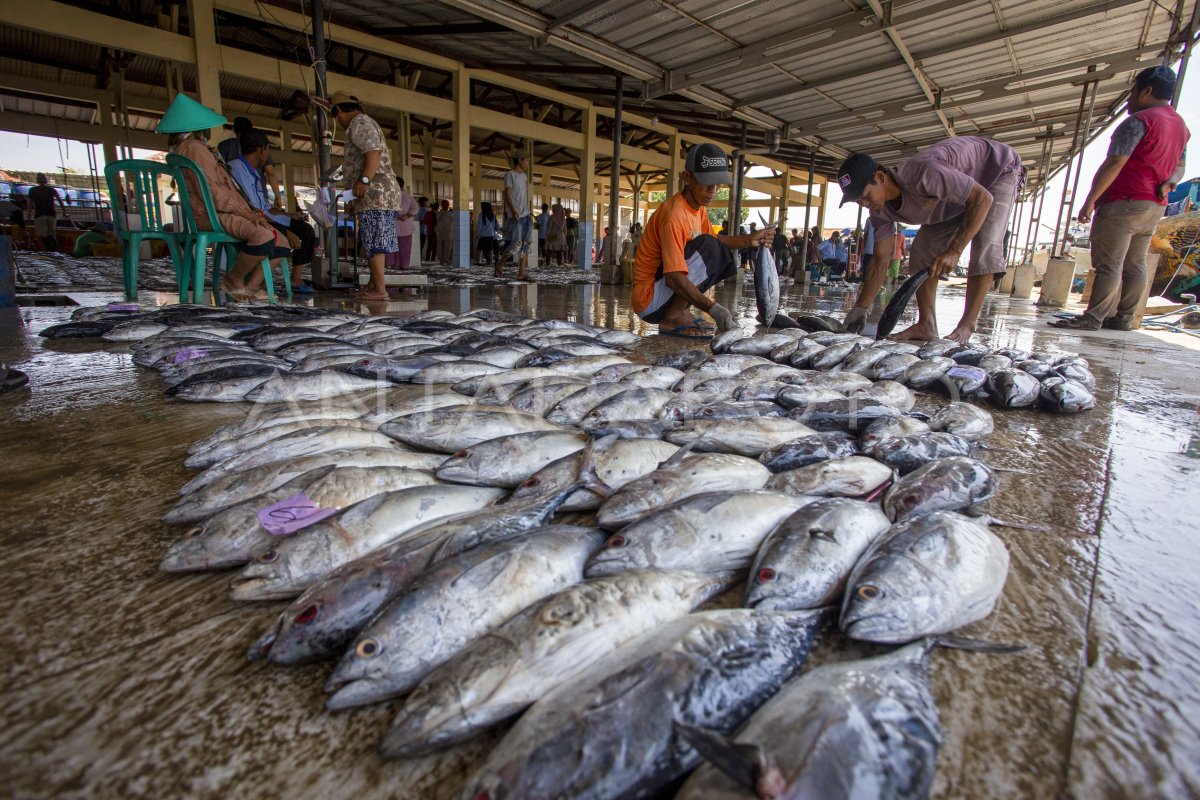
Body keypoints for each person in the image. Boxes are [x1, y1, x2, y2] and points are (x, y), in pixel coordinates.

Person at [838, 135, 1022, 343]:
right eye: (856, 200)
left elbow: (982, 199)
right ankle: (927, 324)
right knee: (922, 251)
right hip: (954, 196)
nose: (863, 203)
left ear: (879, 177)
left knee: (984, 247)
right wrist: (861, 308)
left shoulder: (923, 173)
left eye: (864, 194)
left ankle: (966, 327)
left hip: (996, 174)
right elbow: (881, 259)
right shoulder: (879, 213)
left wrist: (954, 251)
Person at [1050, 66, 1189, 331]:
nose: (1129, 99)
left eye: (1132, 91)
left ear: (1146, 90)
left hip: (1124, 200)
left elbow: (1115, 163)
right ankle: (1124, 319)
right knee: (1135, 264)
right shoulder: (1181, 126)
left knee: (1109, 264)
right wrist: (1170, 183)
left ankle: (1093, 318)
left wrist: (1091, 199)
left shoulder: (1139, 121)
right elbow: (1180, 166)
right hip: (1154, 205)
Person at [632, 143, 775, 338]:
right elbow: (674, 277)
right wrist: (713, 309)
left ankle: (680, 311)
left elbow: (716, 241)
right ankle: (672, 317)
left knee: (716, 250)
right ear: (687, 178)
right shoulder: (674, 215)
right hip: (649, 301)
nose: (713, 190)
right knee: (710, 248)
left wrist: (749, 240)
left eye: (718, 184)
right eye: (707, 183)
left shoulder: (698, 207)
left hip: (662, 291)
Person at [158, 93, 290, 301]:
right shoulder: (193, 149)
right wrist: (245, 213)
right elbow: (212, 192)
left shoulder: (193, 149)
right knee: (263, 236)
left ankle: (250, 287)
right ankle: (233, 279)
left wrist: (249, 212)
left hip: (223, 211)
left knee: (281, 242)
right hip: (212, 214)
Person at [314, 91, 403, 302]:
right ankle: (374, 285)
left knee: (374, 242)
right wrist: (354, 198)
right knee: (372, 240)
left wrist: (363, 180)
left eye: (336, 117)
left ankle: (380, 290)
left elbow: (373, 152)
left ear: (338, 111)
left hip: (376, 193)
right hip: (374, 195)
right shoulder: (362, 122)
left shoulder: (360, 123)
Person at [228, 129, 316, 293]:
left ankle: (295, 279)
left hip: (266, 216)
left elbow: (266, 208)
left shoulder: (254, 173)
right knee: (282, 242)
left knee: (306, 230)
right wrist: (286, 233)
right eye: (267, 149)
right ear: (262, 149)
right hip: (253, 219)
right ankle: (255, 284)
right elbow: (251, 209)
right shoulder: (237, 169)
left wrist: (291, 216)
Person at [218, 116, 282, 208]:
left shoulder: (225, 146)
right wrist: (278, 197)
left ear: (234, 129)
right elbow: (270, 172)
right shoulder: (258, 145)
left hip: (234, 198)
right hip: (256, 198)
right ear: (261, 151)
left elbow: (220, 169)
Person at [501, 149, 532, 279]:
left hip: (526, 215)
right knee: (515, 244)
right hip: (516, 215)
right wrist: (513, 211)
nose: (528, 163)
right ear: (519, 160)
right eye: (526, 161)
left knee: (526, 244)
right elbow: (507, 194)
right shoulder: (510, 175)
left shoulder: (524, 176)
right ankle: (499, 264)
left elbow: (523, 196)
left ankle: (521, 273)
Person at [28, 173, 66, 252]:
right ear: (46, 181)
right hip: (51, 214)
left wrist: (29, 215)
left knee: (42, 235)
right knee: (51, 234)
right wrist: (64, 211)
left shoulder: (32, 190)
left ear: (37, 180)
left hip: (39, 215)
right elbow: (60, 200)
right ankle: (55, 250)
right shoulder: (51, 190)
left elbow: (30, 204)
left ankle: (48, 250)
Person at [391, 177, 420, 269]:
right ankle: (404, 265)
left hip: (391, 225)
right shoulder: (407, 196)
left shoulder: (389, 195)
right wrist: (407, 216)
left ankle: (391, 264)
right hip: (405, 226)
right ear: (402, 185)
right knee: (405, 248)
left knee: (391, 246)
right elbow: (416, 208)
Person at [476, 201, 498, 267]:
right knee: (490, 248)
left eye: (481, 206)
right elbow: (494, 225)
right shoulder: (493, 215)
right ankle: (490, 261)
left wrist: (477, 234)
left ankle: (479, 260)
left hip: (482, 235)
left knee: (480, 247)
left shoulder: (481, 214)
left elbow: (479, 225)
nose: (481, 207)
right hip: (490, 234)